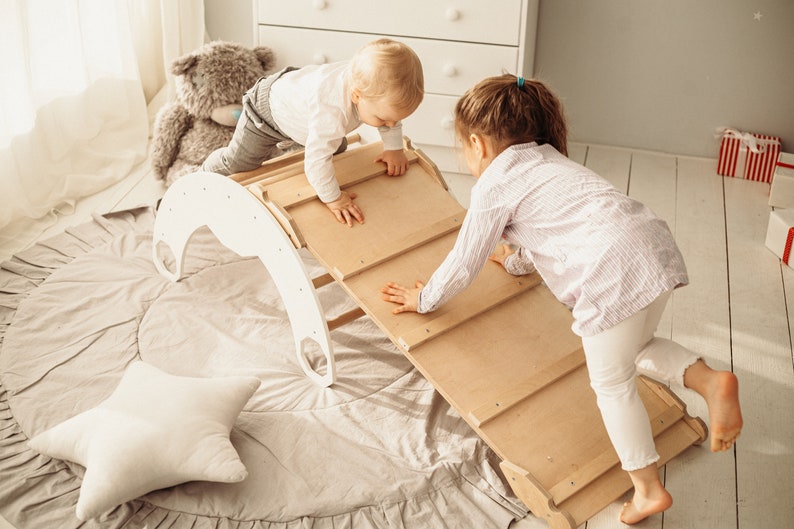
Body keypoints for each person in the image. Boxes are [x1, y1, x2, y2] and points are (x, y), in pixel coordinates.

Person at [380, 74, 743, 525]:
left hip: (609, 269)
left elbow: (463, 262)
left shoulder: (494, 184)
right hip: (651, 245)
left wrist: (425, 300)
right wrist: (513, 264)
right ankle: (709, 380)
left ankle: (648, 489)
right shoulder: (548, 160)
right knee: (632, 348)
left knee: (611, 385)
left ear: (477, 144)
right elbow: (554, 235)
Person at [202, 38, 424, 227]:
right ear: (357, 96)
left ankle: (296, 137)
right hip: (265, 114)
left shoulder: (368, 83)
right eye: (383, 120)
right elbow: (316, 162)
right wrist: (334, 199)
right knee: (241, 162)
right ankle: (204, 171)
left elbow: (389, 119)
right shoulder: (332, 113)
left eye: (397, 120)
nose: (390, 124)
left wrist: (394, 148)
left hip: (301, 101)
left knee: (338, 146)